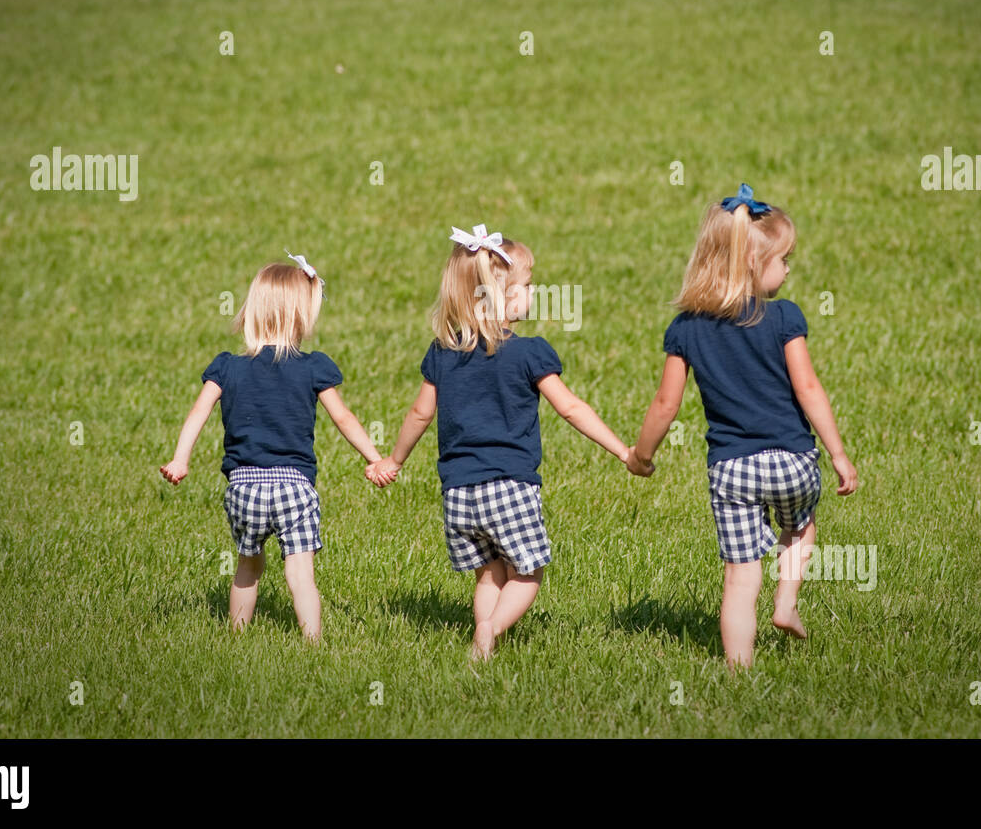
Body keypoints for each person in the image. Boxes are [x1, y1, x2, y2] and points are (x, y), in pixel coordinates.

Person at [369, 224, 630, 660]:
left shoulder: (442, 353)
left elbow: (419, 413)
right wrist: (623, 451)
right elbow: (571, 408)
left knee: (489, 574)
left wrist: (394, 460)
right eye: (528, 286)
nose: (533, 294)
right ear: (503, 297)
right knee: (528, 573)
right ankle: (489, 630)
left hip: (458, 493)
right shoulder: (529, 353)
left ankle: (481, 650)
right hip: (509, 486)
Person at [627, 185, 858, 668]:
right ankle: (786, 603)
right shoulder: (784, 318)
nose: (789, 268)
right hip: (793, 462)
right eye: (785, 258)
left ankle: (738, 669)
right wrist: (837, 453)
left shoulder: (686, 328)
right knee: (800, 527)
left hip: (731, 471)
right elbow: (809, 390)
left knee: (739, 575)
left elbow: (666, 403)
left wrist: (642, 455)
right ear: (756, 264)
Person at [160, 252, 388, 641]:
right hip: (294, 488)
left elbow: (197, 414)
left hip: (243, 488)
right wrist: (375, 458)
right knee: (300, 573)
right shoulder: (313, 366)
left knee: (248, 566)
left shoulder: (227, 367)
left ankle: (236, 636)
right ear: (302, 316)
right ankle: (313, 643)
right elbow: (344, 418)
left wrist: (180, 459)